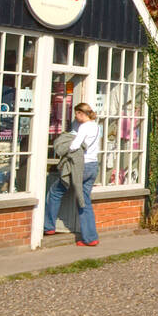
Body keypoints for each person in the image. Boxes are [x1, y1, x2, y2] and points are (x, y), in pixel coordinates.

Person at [43, 102, 101, 247]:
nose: (75, 117)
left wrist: (64, 145)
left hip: (79, 167)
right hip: (93, 165)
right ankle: (91, 237)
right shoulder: (97, 126)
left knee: (55, 192)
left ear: (82, 114)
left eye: (76, 114)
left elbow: (75, 146)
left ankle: (49, 226)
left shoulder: (84, 127)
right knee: (84, 200)